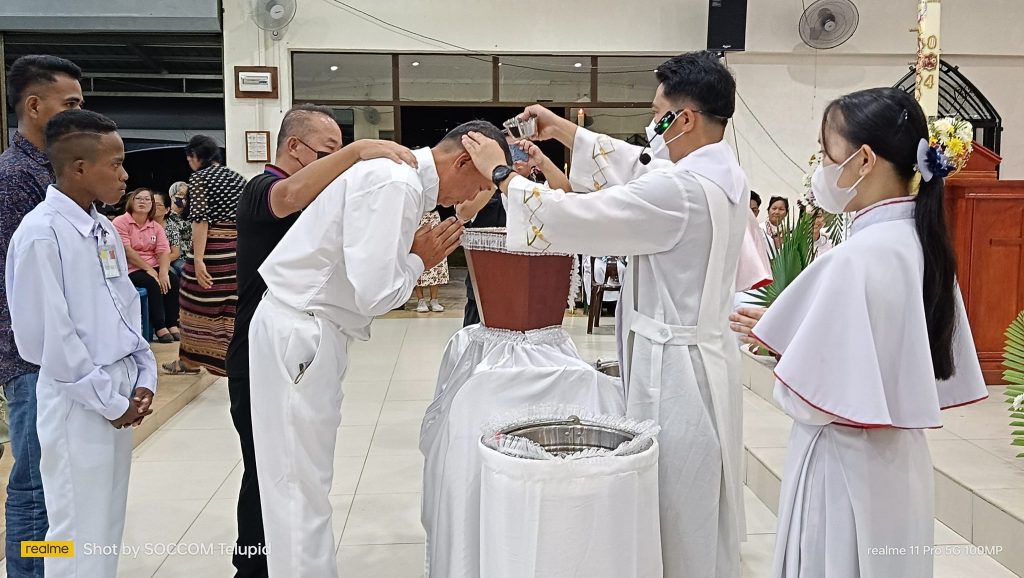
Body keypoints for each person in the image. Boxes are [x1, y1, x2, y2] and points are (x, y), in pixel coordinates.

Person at [461, 51, 750, 577]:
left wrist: (502, 175)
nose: (650, 125)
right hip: (705, 356)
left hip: (675, 370)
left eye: (658, 112)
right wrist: (564, 132)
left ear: (684, 119)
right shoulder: (721, 174)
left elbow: (578, 215)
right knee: (701, 493)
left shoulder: (680, 189)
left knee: (676, 500)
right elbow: (640, 164)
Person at [730, 88, 988, 577]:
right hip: (902, 466)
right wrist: (793, 335)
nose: (822, 170)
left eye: (828, 155)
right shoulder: (922, 242)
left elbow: (813, 400)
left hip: (843, 469)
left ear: (864, 159)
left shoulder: (858, 256)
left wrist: (786, 351)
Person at [249, 120, 500, 578]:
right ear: (463, 160)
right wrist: (419, 259)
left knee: (301, 481)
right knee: (297, 485)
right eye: (480, 183)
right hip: (303, 328)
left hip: (306, 325)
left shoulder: (401, 181)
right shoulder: (396, 182)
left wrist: (419, 249)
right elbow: (376, 292)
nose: (469, 197)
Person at [224, 102, 417, 578]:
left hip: (286, 346)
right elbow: (287, 195)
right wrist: (355, 152)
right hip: (259, 348)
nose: (337, 161)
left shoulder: (319, 197)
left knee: (282, 472)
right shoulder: (262, 189)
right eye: (326, 151)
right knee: (266, 474)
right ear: (294, 147)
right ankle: (251, 567)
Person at [6, 109, 157, 578]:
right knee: (74, 533)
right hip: (77, 398)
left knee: (106, 522)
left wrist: (144, 377)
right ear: (78, 168)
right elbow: (50, 340)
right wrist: (109, 402)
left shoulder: (102, 229)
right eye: (116, 163)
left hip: (117, 388)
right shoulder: (41, 234)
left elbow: (125, 312)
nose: (125, 175)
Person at [0, 54, 82, 578]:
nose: (79, 112)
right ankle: (29, 573)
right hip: (32, 357)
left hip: (63, 356)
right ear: (34, 106)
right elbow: (25, 286)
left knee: (59, 481)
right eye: (70, 103)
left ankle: (56, 567)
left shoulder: (54, 171)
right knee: (34, 484)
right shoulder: (16, 179)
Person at [163, 135, 245, 375]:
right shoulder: (238, 178)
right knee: (231, 308)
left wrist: (198, 259)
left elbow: (201, 220)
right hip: (237, 251)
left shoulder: (199, 178)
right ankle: (232, 360)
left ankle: (190, 361)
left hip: (211, 251)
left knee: (192, 303)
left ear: (195, 157)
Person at [113, 188, 180, 343]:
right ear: (131, 201)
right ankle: (159, 326)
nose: (143, 202)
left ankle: (172, 323)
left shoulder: (155, 226)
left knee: (172, 280)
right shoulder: (121, 222)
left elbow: (163, 251)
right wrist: (149, 269)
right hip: (130, 268)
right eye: (139, 198)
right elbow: (127, 251)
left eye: (147, 199)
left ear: (152, 205)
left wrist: (163, 272)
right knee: (151, 282)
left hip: (153, 266)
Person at [413, 209, 450, 312]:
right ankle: (420, 300)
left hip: (433, 217)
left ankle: (434, 300)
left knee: (436, 260)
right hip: (417, 217)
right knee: (417, 257)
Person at [165, 182, 191, 277]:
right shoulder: (166, 216)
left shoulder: (190, 216)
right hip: (176, 258)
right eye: (180, 194)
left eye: (186, 195)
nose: (183, 198)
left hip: (191, 256)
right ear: (172, 196)